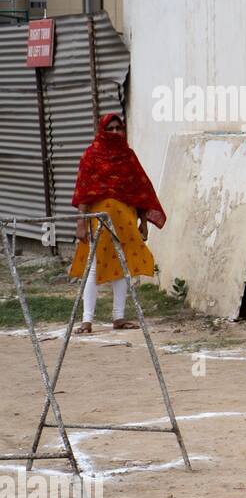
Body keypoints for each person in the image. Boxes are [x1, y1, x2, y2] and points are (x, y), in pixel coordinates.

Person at [68, 113, 166, 334]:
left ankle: (118, 317)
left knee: (122, 268)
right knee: (93, 267)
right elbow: (84, 191)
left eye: (118, 128)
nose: (114, 133)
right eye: (109, 129)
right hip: (98, 221)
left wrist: (143, 222)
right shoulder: (91, 156)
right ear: (102, 131)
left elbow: (140, 190)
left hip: (125, 220)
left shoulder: (128, 156)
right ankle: (87, 320)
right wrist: (81, 223)